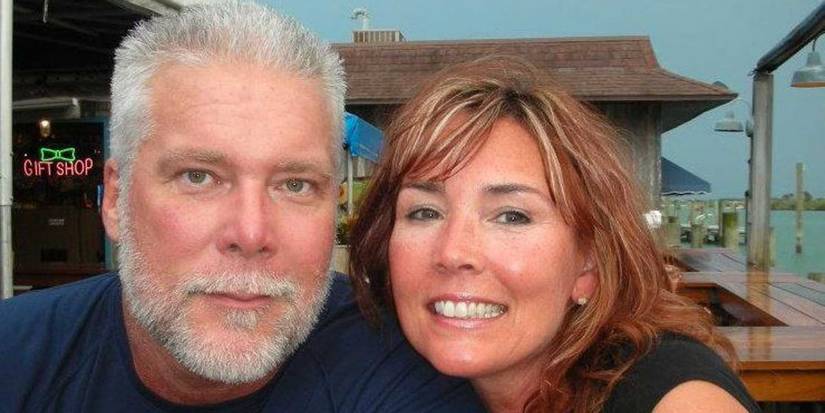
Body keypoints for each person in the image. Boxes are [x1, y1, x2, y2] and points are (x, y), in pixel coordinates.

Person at [0, 2, 483, 411]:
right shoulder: (16, 355)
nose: (251, 234)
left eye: (295, 184)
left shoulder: (403, 377)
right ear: (116, 199)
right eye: (199, 177)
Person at [349, 57, 761, 413]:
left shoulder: (671, 394)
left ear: (589, 263)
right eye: (424, 212)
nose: (454, 252)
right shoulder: (386, 376)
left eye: (512, 216)